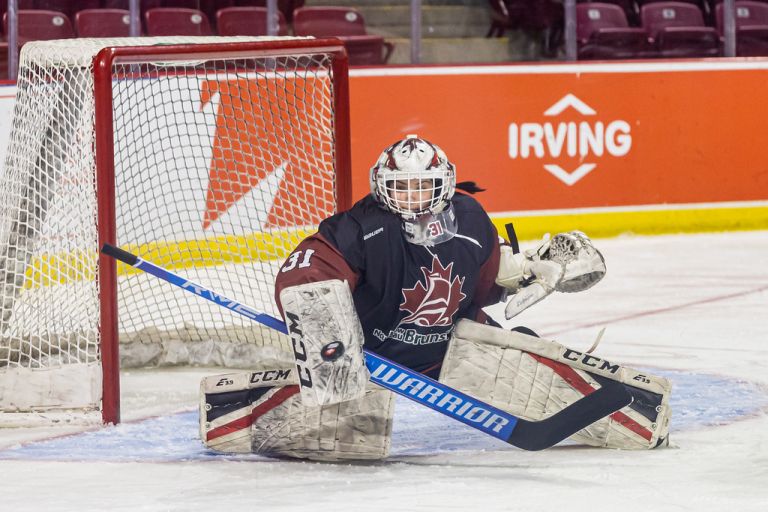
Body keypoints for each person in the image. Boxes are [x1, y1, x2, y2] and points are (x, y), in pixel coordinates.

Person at [199, 136, 671, 461]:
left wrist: (527, 273)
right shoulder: (359, 227)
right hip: (370, 357)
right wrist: (326, 335)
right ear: (381, 187)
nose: (412, 197)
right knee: (348, 435)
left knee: (564, 391)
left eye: (422, 186)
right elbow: (305, 271)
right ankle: (236, 409)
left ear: (443, 183)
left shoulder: (470, 220)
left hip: (451, 347)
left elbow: (483, 283)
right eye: (401, 187)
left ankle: (634, 410)